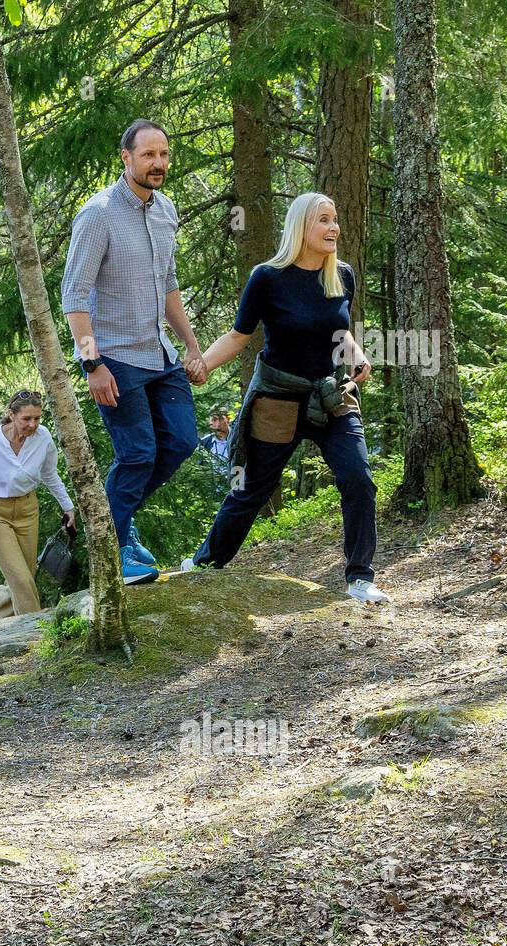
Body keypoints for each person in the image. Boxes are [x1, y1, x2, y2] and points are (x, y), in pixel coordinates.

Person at [181, 192, 389, 604]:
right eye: (324, 220)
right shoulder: (267, 278)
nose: (334, 228)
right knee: (251, 489)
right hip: (278, 399)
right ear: (301, 227)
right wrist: (202, 365)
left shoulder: (342, 275)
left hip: (331, 396)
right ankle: (203, 564)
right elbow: (240, 337)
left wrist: (357, 354)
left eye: (336, 220)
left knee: (358, 479)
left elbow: (339, 332)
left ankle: (360, 578)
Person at [61, 118, 207, 584]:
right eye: (148, 155)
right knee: (138, 454)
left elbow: (168, 285)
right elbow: (75, 296)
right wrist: (92, 363)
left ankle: (116, 525)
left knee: (183, 441)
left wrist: (191, 343)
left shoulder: (166, 210)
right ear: (126, 158)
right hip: (115, 358)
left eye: (163, 154)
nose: (158, 163)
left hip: (160, 355)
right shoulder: (98, 212)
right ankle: (113, 552)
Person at [0, 390, 75, 615]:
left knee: (23, 575)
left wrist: (68, 506)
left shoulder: (43, 437)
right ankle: (33, 631)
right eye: (26, 418)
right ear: (12, 415)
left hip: (27, 510)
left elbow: (50, 474)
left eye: (37, 418)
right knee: (21, 579)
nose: (32, 424)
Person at [199, 406, 232, 482]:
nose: (218, 424)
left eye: (221, 419)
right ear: (209, 422)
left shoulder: (239, 439)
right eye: (214, 420)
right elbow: (200, 469)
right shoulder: (205, 442)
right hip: (213, 490)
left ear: (228, 419)